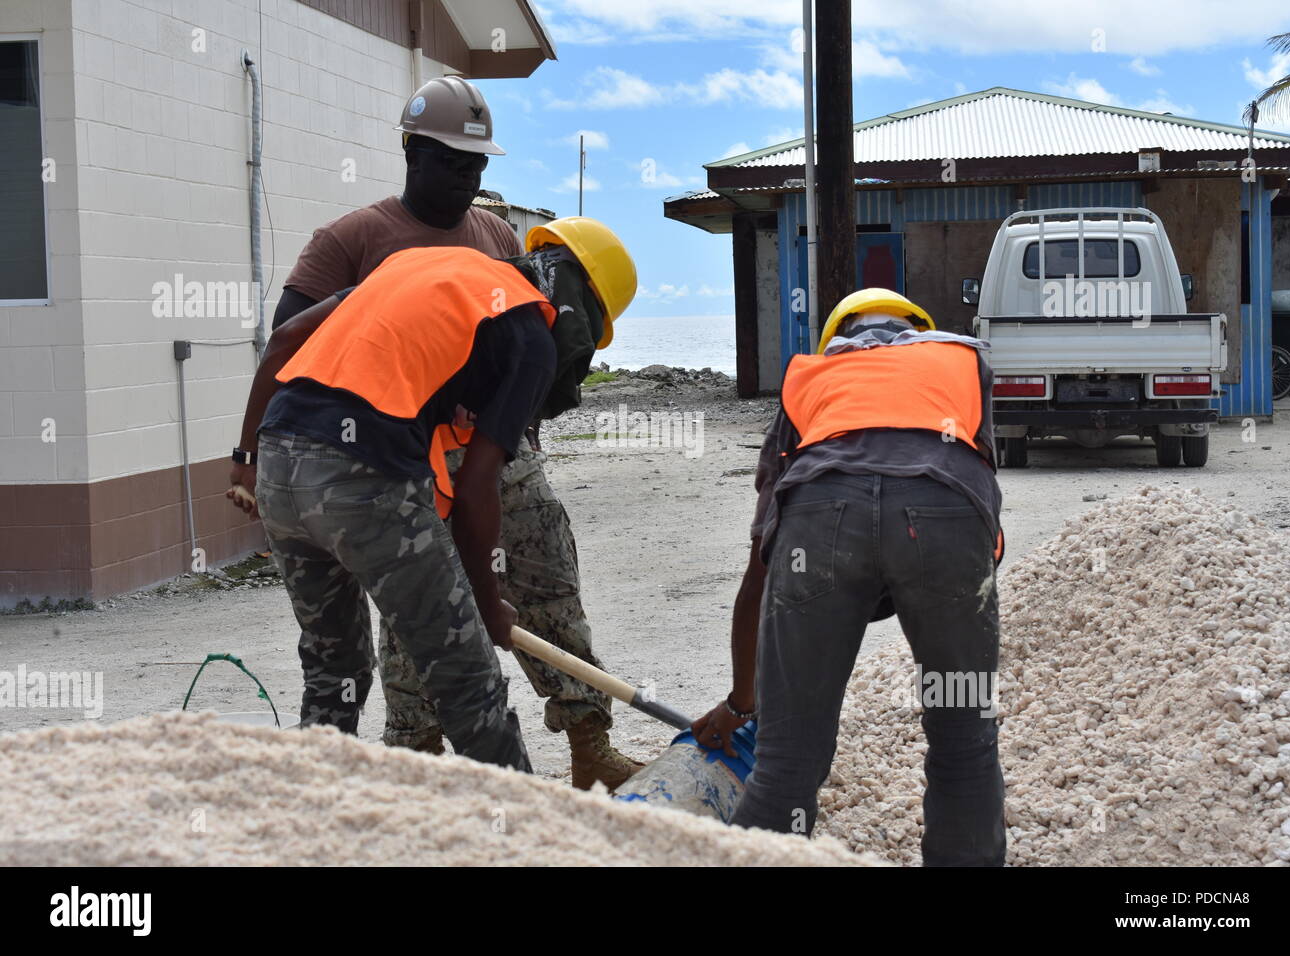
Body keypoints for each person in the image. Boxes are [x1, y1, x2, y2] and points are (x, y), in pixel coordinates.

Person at [271, 76, 642, 789]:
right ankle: (416, 765)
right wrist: (247, 451)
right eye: (451, 161)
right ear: (410, 152)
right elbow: (292, 344)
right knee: (424, 626)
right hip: (399, 459)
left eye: (477, 165)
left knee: (548, 578)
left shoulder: (495, 234)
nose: (467, 177)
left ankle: (589, 740)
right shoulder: (356, 238)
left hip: (494, 455)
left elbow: (516, 350)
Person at [692, 289, 1007, 866]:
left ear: (838, 338)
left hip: (819, 520)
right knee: (965, 742)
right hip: (946, 519)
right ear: (920, 330)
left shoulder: (809, 377)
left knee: (787, 756)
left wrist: (742, 705)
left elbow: (763, 562)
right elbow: (980, 485)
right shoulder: (963, 362)